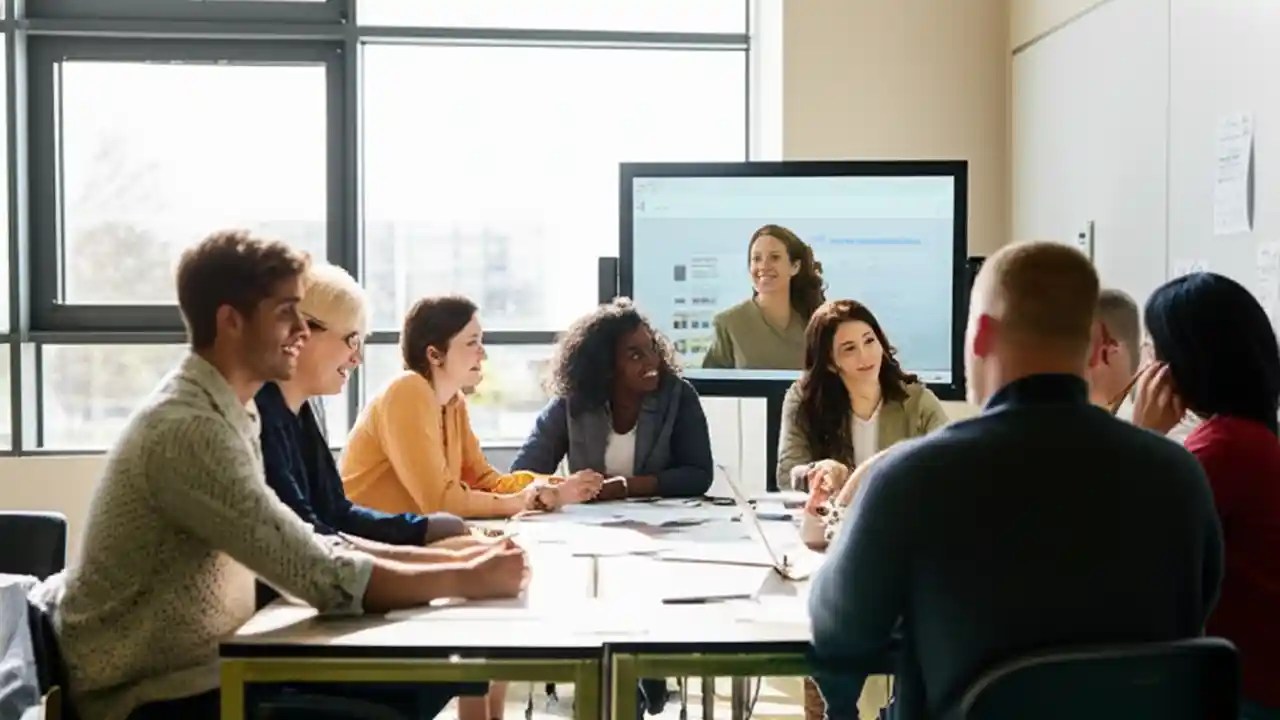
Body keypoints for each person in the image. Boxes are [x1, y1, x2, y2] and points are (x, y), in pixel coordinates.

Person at [30, 231, 529, 720]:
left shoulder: (231, 410)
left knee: (441, 670)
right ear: (231, 322)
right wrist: (464, 575)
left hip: (215, 665)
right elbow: (314, 570)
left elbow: (313, 542)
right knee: (430, 675)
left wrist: (457, 567)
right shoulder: (190, 429)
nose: (300, 331)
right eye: (286, 313)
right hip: (150, 694)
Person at [808, 241, 1223, 720]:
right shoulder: (1180, 478)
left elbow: (839, 632)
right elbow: (1195, 618)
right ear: (1094, 347)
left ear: (981, 335)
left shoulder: (912, 480)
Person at [1131, 272, 1280, 720]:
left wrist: (1141, 438)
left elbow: (1127, 553)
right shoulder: (1254, 438)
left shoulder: (1218, 451)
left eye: (1153, 349)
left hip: (1240, 692)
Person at [342, 295, 602, 519]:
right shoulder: (407, 390)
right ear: (434, 355)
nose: (483, 354)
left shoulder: (453, 403)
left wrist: (558, 486)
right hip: (364, 542)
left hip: (406, 538)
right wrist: (523, 501)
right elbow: (440, 502)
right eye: (472, 342)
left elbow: (488, 483)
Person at [511, 298, 713, 501]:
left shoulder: (678, 396)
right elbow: (523, 474)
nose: (652, 361)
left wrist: (625, 487)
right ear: (605, 366)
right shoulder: (572, 400)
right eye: (635, 356)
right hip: (588, 523)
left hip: (663, 525)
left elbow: (698, 475)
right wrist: (567, 488)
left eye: (652, 349)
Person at [702, 225, 826, 370]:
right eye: (757, 259)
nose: (764, 266)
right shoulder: (729, 324)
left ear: (795, 267)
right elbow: (710, 387)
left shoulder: (817, 323)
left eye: (774, 257)